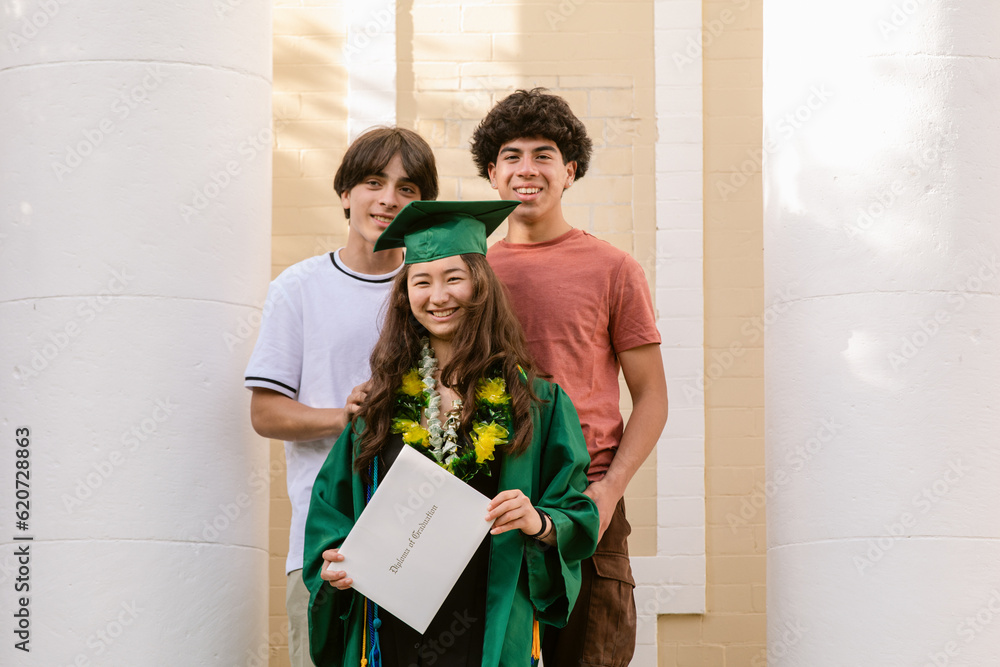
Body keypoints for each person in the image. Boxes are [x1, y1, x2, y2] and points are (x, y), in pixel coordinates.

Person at [302, 200, 600, 667]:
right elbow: (330, 514)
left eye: (454, 278)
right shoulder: (377, 407)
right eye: (422, 281)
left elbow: (576, 510)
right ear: (406, 295)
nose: (437, 295)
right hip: (395, 623)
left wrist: (537, 520)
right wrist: (334, 565)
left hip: (489, 612)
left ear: (481, 285)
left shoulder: (537, 403)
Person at [471, 88, 669, 667]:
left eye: (544, 154)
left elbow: (653, 398)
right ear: (492, 171)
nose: (527, 169)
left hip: (584, 501)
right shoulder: (470, 274)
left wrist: (608, 492)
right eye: (511, 155)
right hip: (491, 500)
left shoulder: (613, 268)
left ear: (569, 170)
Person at [244, 127, 438, 667]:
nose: (389, 199)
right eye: (374, 182)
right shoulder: (299, 288)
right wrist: (346, 416)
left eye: (408, 189)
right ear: (346, 192)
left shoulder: (434, 288)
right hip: (328, 537)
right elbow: (265, 412)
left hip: (427, 535)